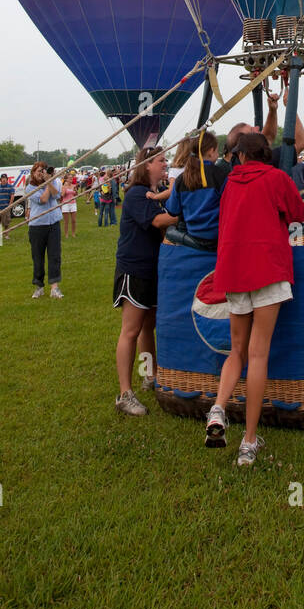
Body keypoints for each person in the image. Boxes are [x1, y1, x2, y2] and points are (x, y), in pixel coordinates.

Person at [203, 132, 304, 466]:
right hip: (267, 269)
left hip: (233, 272)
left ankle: (219, 406)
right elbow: (296, 214)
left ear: (243, 156)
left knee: (237, 350)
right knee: (258, 354)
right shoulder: (276, 178)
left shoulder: (232, 183)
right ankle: (248, 441)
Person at [113, 145, 169, 416]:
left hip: (151, 269)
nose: (165, 164)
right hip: (134, 269)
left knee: (149, 327)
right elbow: (158, 222)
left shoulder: (155, 195)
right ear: (146, 165)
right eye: (161, 160)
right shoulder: (136, 194)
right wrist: (190, 213)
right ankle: (125, 393)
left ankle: (150, 375)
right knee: (131, 330)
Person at [214, 86, 304, 189]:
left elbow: (268, 137)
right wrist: (290, 107)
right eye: (252, 130)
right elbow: (301, 142)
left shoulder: (236, 163)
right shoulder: (265, 160)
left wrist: (272, 111)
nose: (257, 127)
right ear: (247, 144)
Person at [157, 131, 226, 244]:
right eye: (216, 150)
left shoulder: (181, 179)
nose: (218, 154)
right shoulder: (220, 175)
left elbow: (172, 210)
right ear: (210, 151)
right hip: (217, 239)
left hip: (192, 238)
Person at [27, 162, 63, 299]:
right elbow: (42, 200)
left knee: (55, 255)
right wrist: (48, 182)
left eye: (43, 170)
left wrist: (48, 181)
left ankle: (54, 287)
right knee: (38, 257)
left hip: (53, 223)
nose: (41, 173)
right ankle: (39, 286)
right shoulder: (29, 187)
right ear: (33, 173)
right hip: (37, 225)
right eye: (38, 171)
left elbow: (56, 195)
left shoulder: (51, 183)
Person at [61, 171, 78, 237]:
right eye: (70, 178)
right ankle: (66, 234)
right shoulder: (64, 186)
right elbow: (62, 195)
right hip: (65, 204)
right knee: (66, 221)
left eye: (72, 178)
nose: (71, 179)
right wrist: (64, 188)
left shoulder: (73, 185)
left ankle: (73, 233)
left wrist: (75, 190)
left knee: (73, 220)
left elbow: (76, 194)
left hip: (73, 203)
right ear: (66, 179)